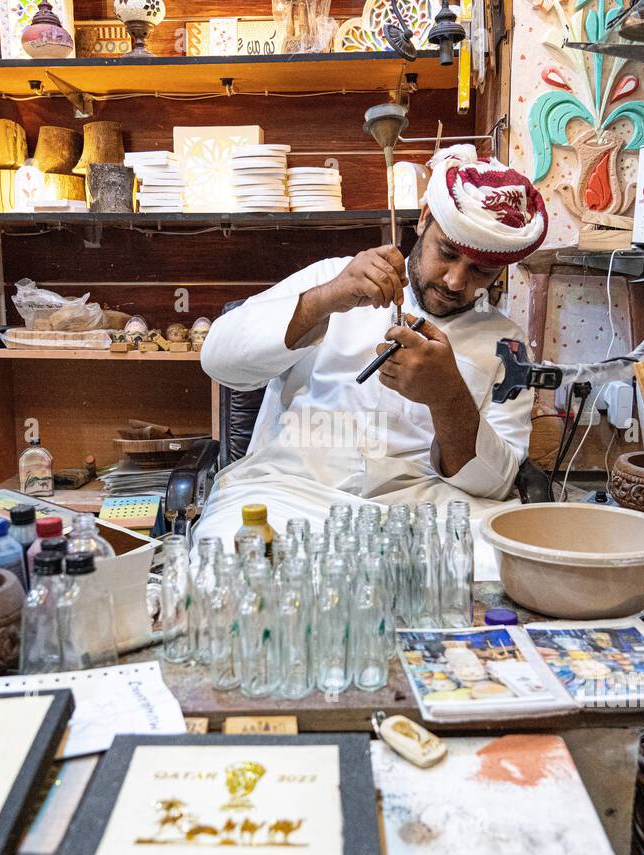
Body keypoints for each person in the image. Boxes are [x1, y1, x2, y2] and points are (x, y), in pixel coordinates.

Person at [197, 145, 548, 577]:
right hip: (294, 493)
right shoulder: (332, 276)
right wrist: (327, 299)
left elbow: (494, 483)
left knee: (505, 572)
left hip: (426, 512)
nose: (457, 281)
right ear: (423, 219)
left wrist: (447, 397)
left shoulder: (505, 345)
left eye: (481, 272)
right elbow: (218, 360)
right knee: (232, 567)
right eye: (448, 253)